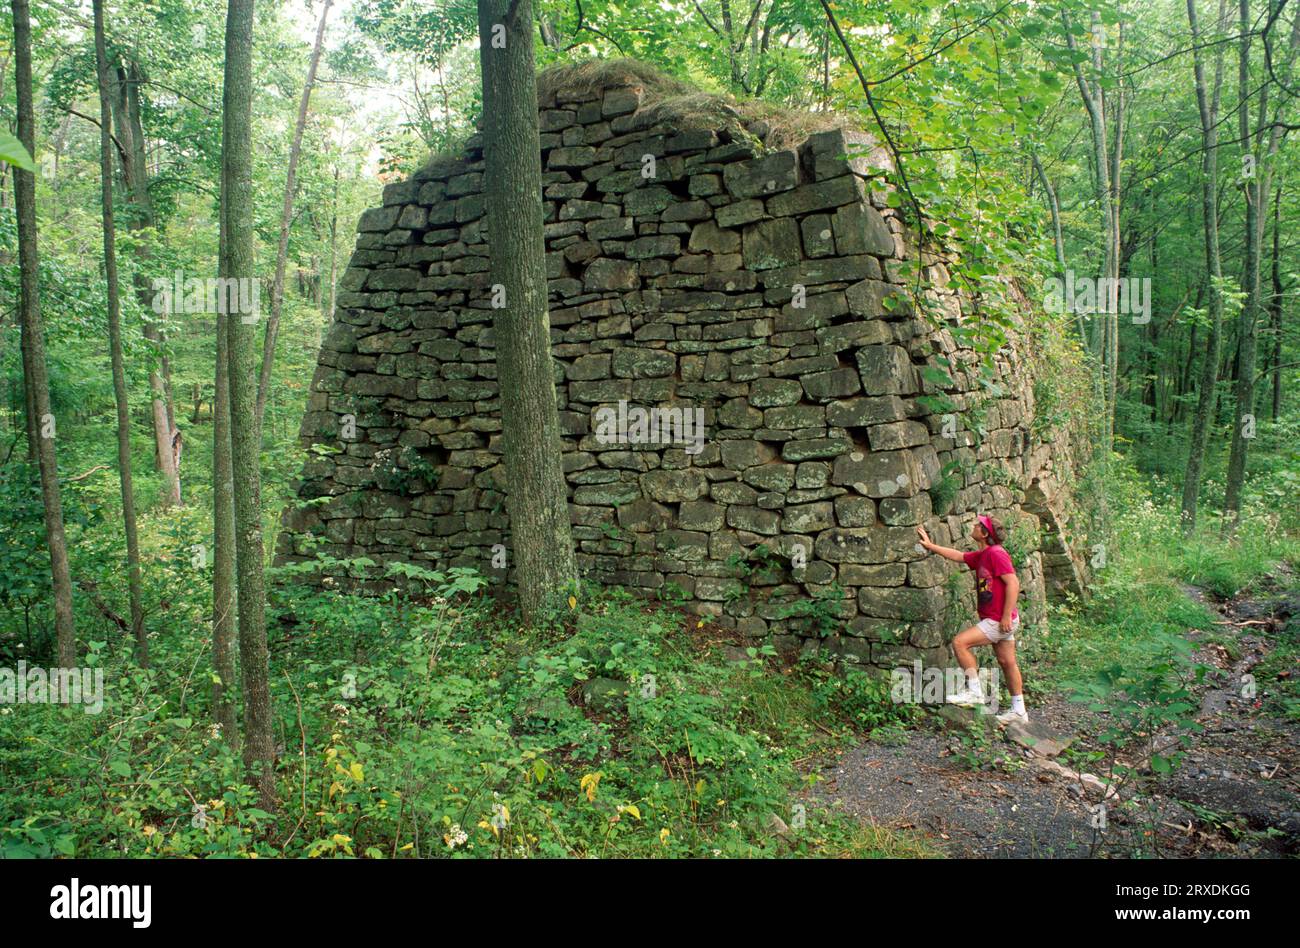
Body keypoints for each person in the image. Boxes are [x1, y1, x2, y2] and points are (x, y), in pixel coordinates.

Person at [915, 515, 1028, 724]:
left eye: (978, 525)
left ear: (985, 534)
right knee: (1007, 662)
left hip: (998, 620)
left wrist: (1004, 617)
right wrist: (930, 545)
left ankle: (975, 691)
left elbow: (1013, 583)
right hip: (1000, 619)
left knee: (960, 642)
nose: (974, 526)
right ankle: (1019, 711)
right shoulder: (984, 554)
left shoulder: (996, 554)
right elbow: (958, 556)